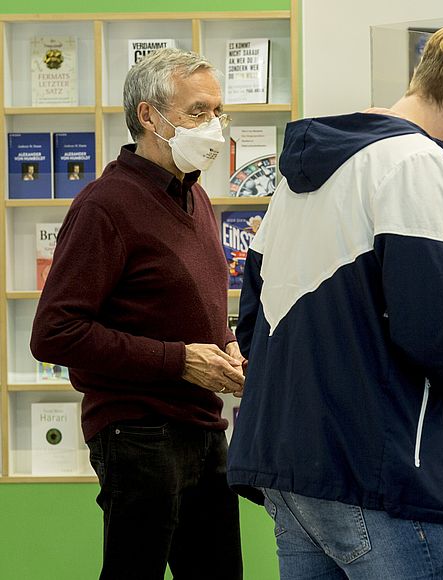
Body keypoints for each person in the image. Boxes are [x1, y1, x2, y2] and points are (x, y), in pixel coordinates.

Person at [226, 12, 443, 580]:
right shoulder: (417, 163)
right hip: (370, 468)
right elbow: (429, 330)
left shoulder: (308, 168)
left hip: (285, 462)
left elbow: (253, 321)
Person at [29, 48, 245, 580]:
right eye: (198, 113)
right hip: (140, 436)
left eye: (218, 112)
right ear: (149, 117)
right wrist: (178, 361)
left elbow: (185, 304)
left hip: (202, 427)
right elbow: (54, 333)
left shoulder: (196, 198)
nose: (213, 127)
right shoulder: (106, 205)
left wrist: (226, 343)